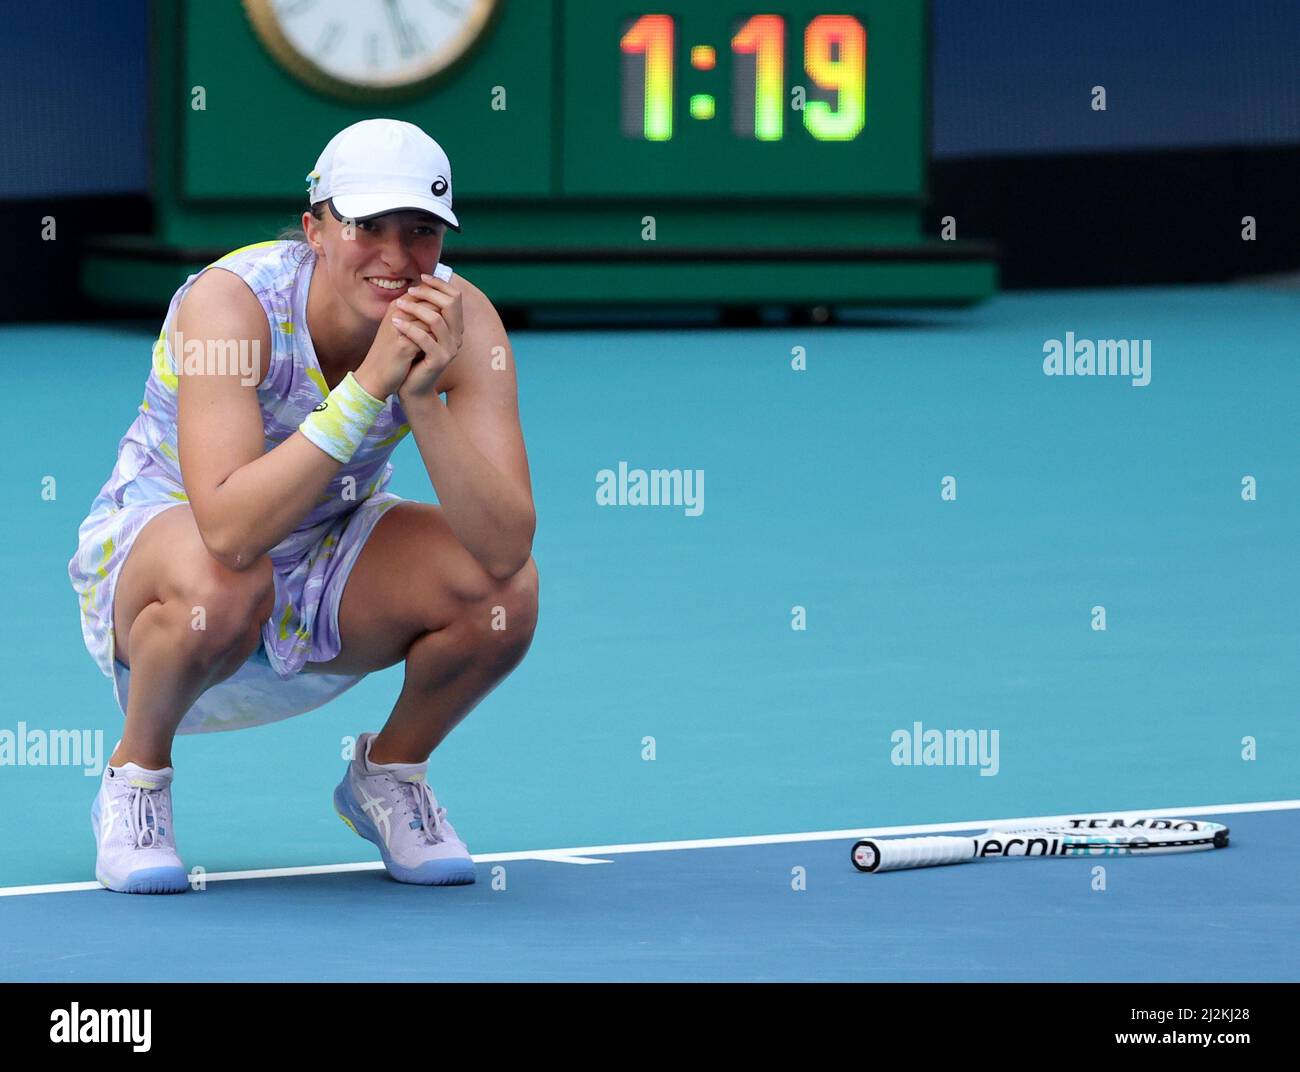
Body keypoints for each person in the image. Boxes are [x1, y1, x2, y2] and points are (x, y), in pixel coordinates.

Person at [67, 119, 538, 894]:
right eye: (366, 227)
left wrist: (422, 399)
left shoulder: (464, 320)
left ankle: (389, 774)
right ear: (315, 229)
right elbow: (228, 527)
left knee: (504, 597)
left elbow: (503, 545)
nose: (395, 257)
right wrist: (368, 387)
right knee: (226, 579)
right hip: (176, 557)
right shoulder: (230, 304)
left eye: (420, 231)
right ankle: (136, 779)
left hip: (329, 546)